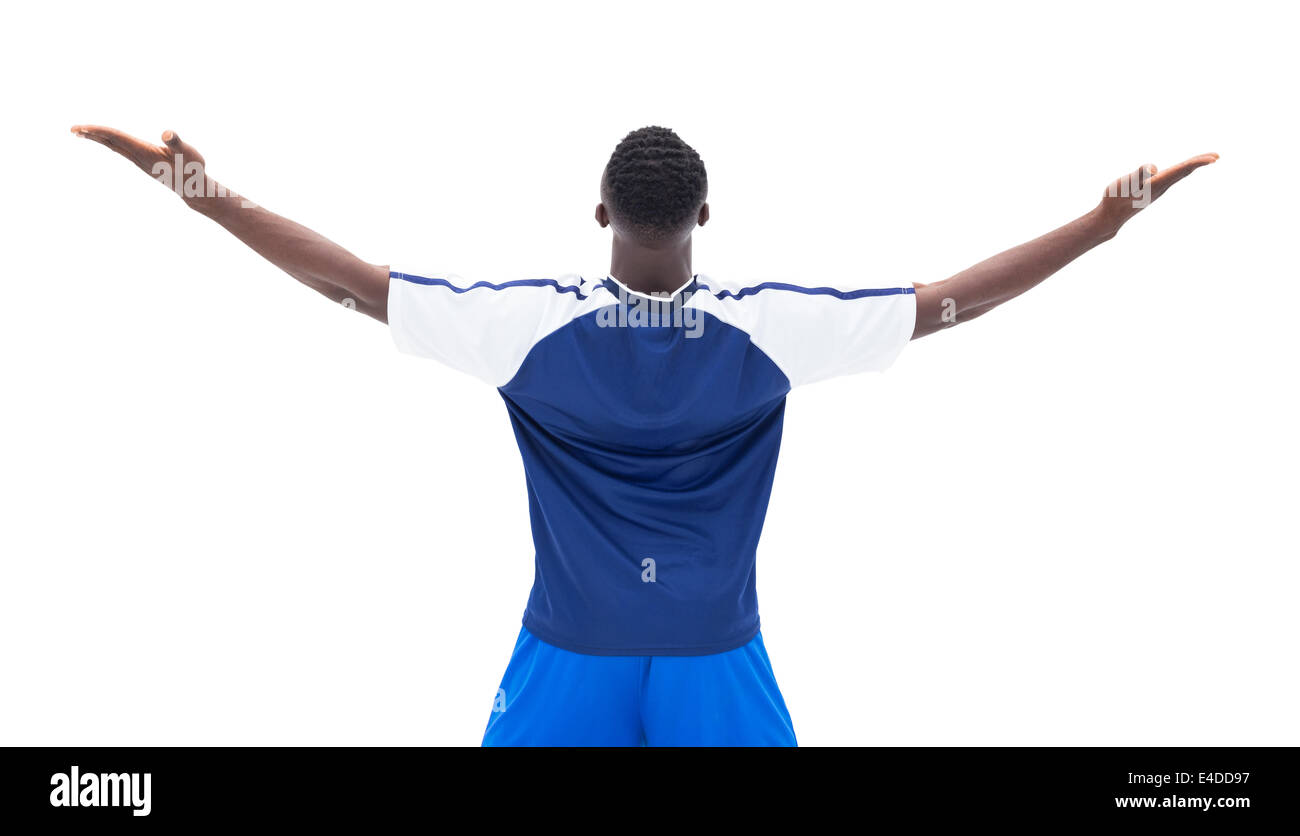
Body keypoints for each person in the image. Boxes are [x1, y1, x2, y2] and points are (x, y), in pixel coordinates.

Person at [70, 123, 1217, 746]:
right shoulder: (772, 328)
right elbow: (953, 301)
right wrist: (1102, 224)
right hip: (719, 646)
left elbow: (351, 287)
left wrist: (200, 191)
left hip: (570, 643)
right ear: (703, 216)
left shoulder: (522, 324)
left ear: (602, 210)